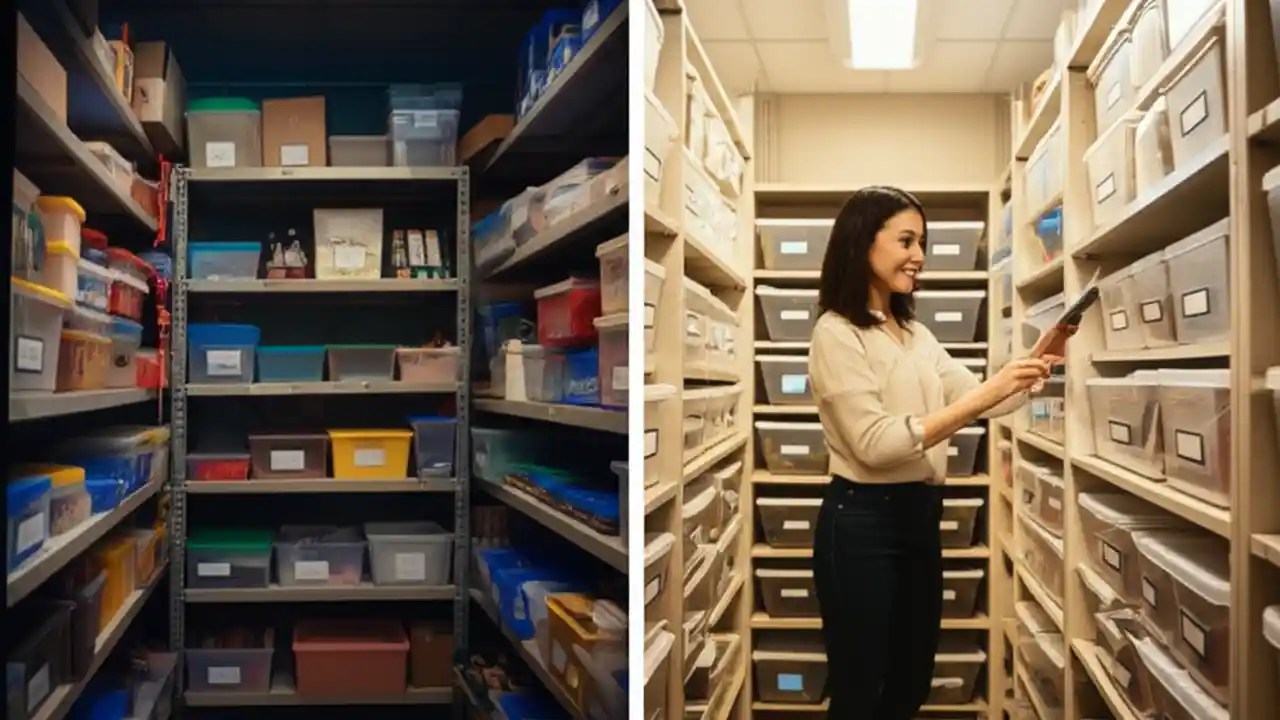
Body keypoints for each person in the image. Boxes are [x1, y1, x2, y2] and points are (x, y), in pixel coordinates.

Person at [807, 186, 1067, 718]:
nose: (919, 256)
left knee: (909, 682)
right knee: (860, 690)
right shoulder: (835, 334)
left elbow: (978, 400)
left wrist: (1030, 371)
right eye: (906, 240)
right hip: (860, 523)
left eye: (922, 242)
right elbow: (875, 444)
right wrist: (986, 395)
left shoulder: (914, 333)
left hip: (918, 519)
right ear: (862, 243)